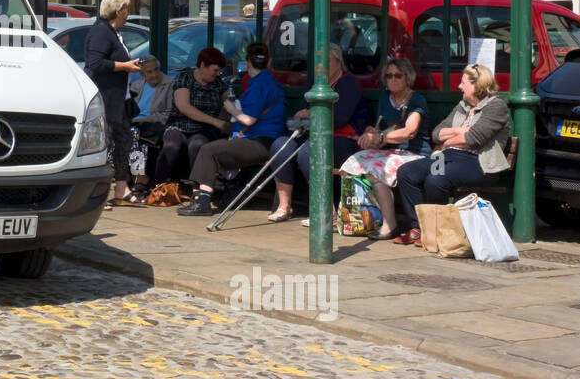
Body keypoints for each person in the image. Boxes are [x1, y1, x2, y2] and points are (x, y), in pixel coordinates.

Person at [396, 63, 511, 246]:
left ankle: (439, 230)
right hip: (449, 156)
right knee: (407, 172)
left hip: (479, 162)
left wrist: (449, 140)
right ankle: (419, 227)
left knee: (436, 179)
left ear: (477, 85)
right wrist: (459, 131)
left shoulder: (496, 106)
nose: (459, 86)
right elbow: (437, 133)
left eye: (463, 82)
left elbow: (474, 139)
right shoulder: (463, 105)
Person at [178, 42, 287, 215]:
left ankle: (203, 202)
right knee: (213, 148)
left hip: (261, 141)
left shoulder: (259, 85)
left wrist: (230, 108)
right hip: (260, 139)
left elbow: (249, 120)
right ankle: (222, 194)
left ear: (248, 62)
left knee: (209, 151)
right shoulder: (265, 82)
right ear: (268, 62)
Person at [267, 42, 370, 223]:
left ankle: (326, 211)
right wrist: (301, 114)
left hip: (344, 139)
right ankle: (284, 206)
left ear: (338, 62)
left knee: (310, 151)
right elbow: (303, 111)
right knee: (281, 146)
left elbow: (340, 118)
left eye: (325, 61)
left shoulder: (348, 82)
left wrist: (311, 113)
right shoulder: (316, 84)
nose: (319, 66)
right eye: (317, 61)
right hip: (313, 134)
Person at [340, 57, 430, 239]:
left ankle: (389, 225)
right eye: (388, 76)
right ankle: (365, 218)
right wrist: (370, 133)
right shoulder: (385, 97)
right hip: (390, 152)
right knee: (354, 162)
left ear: (408, 78)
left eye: (398, 75)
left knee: (376, 171)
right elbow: (381, 128)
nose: (393, 79)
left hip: (414, 153)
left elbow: (409, 132)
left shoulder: (416, 100)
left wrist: (380, 137)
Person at [85, 0, 143, 208]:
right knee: (103, 147)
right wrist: (125, 66)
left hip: (121, 100)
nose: (128, 13)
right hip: (106, 100)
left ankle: (121, 187)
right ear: (119, 11)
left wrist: (130, 64)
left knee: (124, 141)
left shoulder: (114, 32)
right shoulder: (101, 31)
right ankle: (96, 194)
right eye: (127, 9)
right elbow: (95, 63)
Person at [154, 47, 233, 186]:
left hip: (204, 129)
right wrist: (216, 122)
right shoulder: (185, 78)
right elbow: (184, 107)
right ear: (203, 65)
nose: (217, 74)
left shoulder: (218, 84)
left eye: (219, 70)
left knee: (198, 144)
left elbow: (231, 102)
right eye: (215, 70)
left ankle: (198, 188)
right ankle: (157, 186)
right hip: (179, 125)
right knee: (171, 145)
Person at [128, 56, 173, 194]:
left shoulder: (169, 84)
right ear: (142, 74)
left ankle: (141, 178)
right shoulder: (136, 86)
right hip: (134, 123)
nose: (154, 75)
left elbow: (169, 113)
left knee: (135, 134)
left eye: (156, 70)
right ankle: (124, 179)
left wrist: (145, 120)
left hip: (154, 124)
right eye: (149, 72)